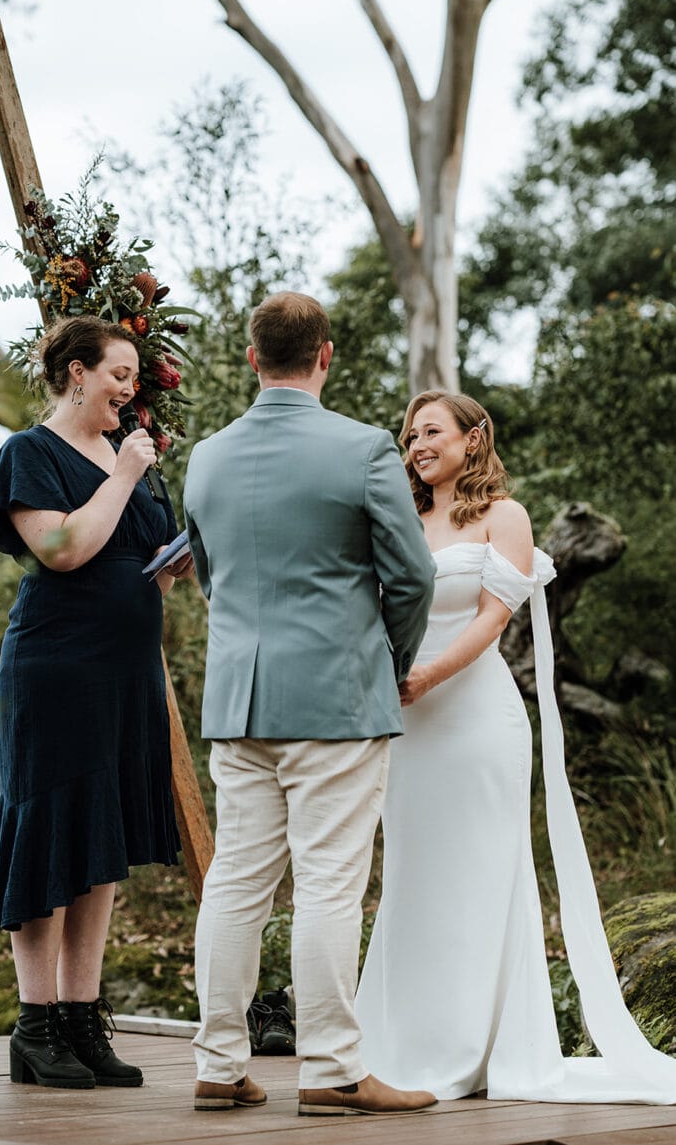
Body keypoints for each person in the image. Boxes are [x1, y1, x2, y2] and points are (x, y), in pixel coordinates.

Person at [355, 390, 676, 1103]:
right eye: (410, 436)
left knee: (479, 874)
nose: (416, 445)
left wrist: (428, 675)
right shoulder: (400, 515)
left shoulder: (505, 516)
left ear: (474, 438)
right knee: (413, 873)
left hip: (473, 721)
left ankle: (482, 1045)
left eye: (431, 431)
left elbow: (493, 618)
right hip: (408, 726)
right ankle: (402, 1041)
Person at [183, 291, 437, 1116]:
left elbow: (214, 578)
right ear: (324, 356)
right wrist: (387, 658)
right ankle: (331, 1070)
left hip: (239, 701)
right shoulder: (363, 447)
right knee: (328, 885)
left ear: (253, 357)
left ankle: (219, 1065)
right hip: (336, 698)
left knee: (234, 883)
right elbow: (412, 577)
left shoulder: (207, 456)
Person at [0, 315, 191, 1090]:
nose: (131, 390)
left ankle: (81, 1019)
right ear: (75, 372)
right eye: (119, 375)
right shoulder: (29, 453)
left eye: (136, 377)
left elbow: (141, 566)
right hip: (57, 667)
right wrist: (127, 474)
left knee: (100, 839)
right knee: (50, 831)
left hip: (128, 668)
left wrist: (173, 561)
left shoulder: (124, 452)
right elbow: (62, 548)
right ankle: (34, 1028)